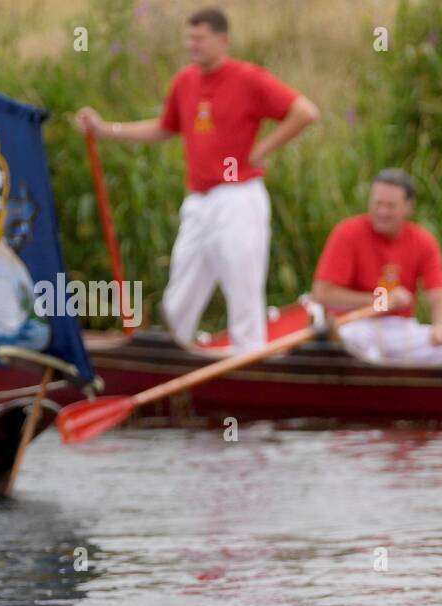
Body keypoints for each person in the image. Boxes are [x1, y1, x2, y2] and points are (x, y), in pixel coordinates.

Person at [74, 7, 319, 354]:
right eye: (189, 38)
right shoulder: (186, 81)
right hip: (199, 201)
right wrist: (106, 129)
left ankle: (248, 363)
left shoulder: (248, 78)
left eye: (200, 38)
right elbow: (163, 127)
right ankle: (168, 365)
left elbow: (304, 112)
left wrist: (262, 148)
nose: (192, 45)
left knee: (243, 291)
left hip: (238, 198)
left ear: (223, 40)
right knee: (179, 296)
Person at [312, 169, 442, 364]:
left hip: (400, 330)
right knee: (360, 347)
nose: (382, 211)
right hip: (353, 324)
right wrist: (381, 300)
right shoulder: (348, 232)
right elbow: (323, 294)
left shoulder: (422, 240)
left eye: (390, 206)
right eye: (377, 204)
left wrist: (441, 326)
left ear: (409, 207)